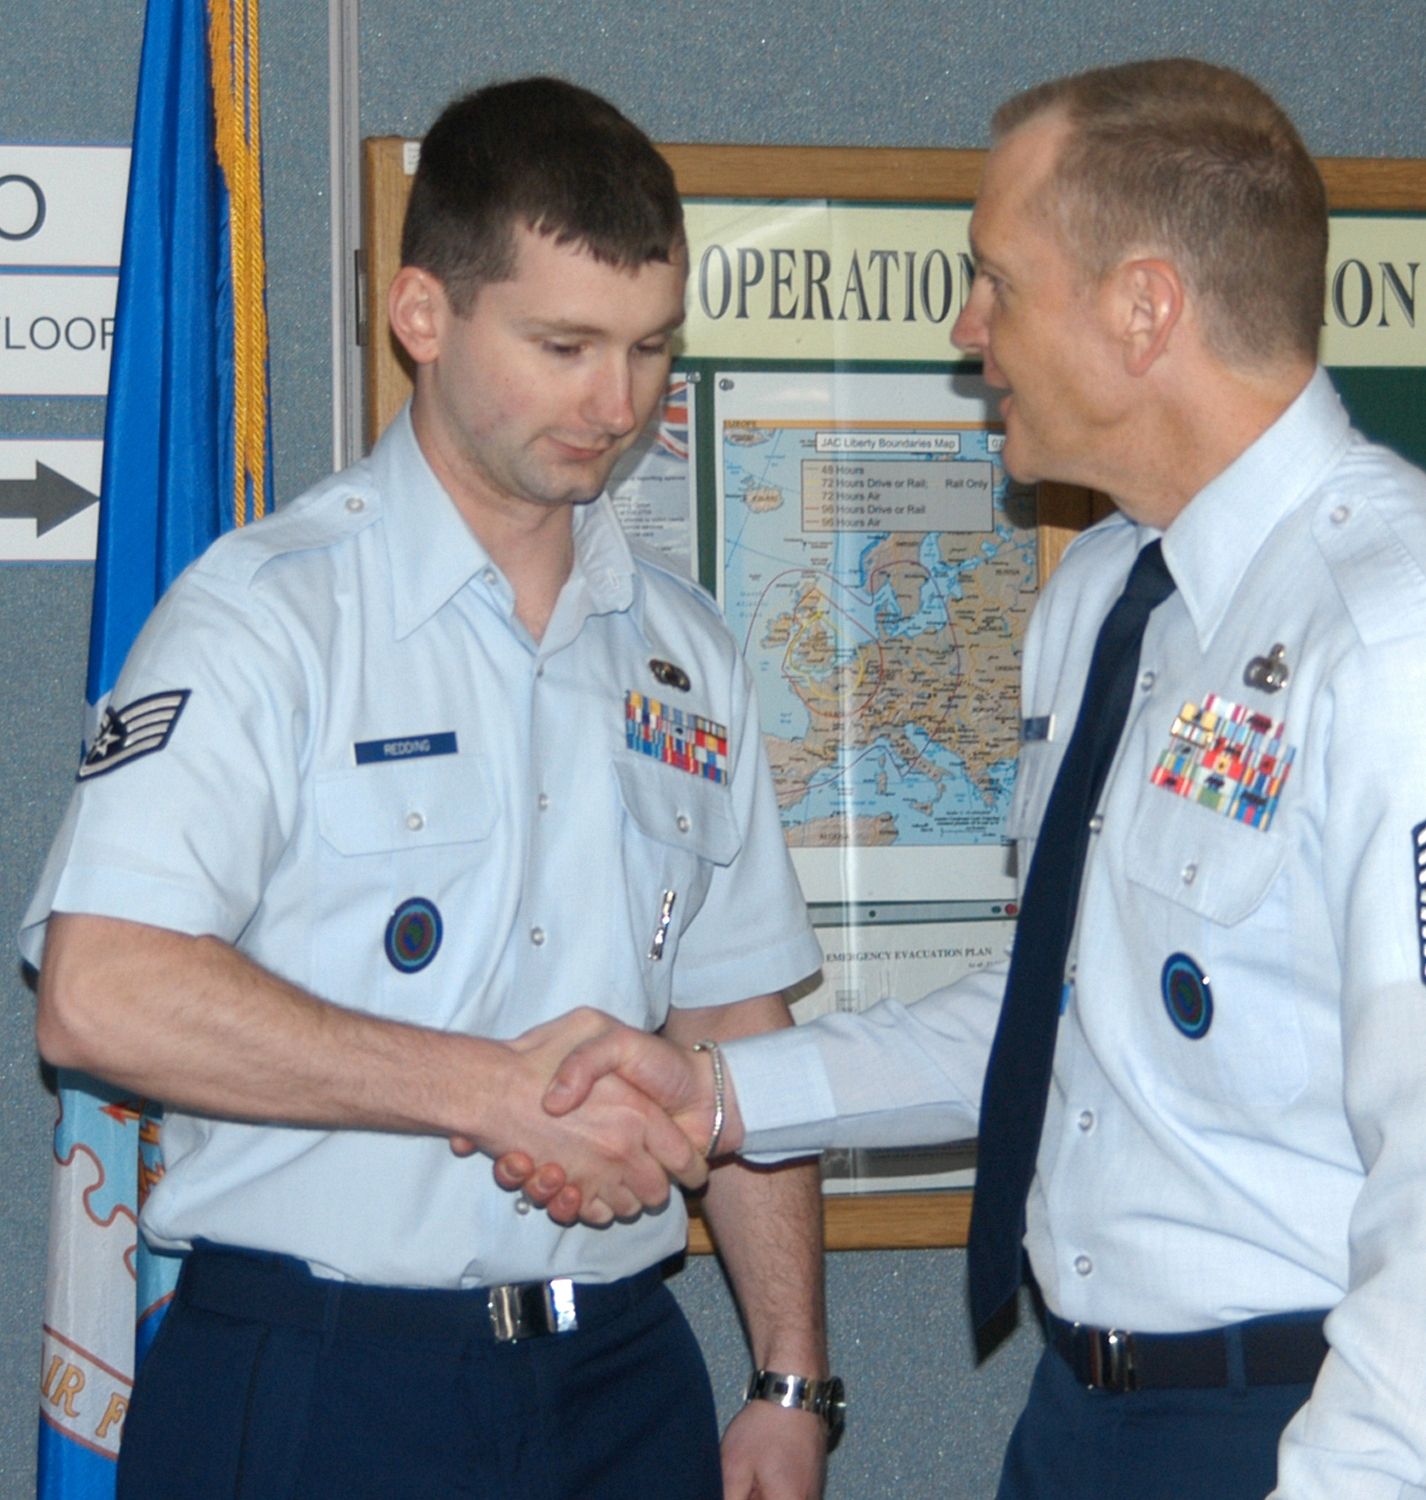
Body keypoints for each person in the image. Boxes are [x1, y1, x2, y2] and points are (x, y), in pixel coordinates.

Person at [503, 59, 1426, 1500]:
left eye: (996, 282)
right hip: (1084, 1422)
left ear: (1145, 308)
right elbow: (1049, 1018)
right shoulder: (1102, 600)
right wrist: (716, 1096)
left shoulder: (1411, 639)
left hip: (1311, 1428)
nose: (970, 337)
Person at [23, 77, 836, 1500]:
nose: (618, 402)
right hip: (325, 1375)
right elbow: (101, 992)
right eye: (564, 344)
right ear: (423, 315)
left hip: (623, 1374)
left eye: (650, 349)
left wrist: (788, 1373)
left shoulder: (686, 653)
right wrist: (491, 1094)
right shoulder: (269, 620)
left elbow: (733, 1028)